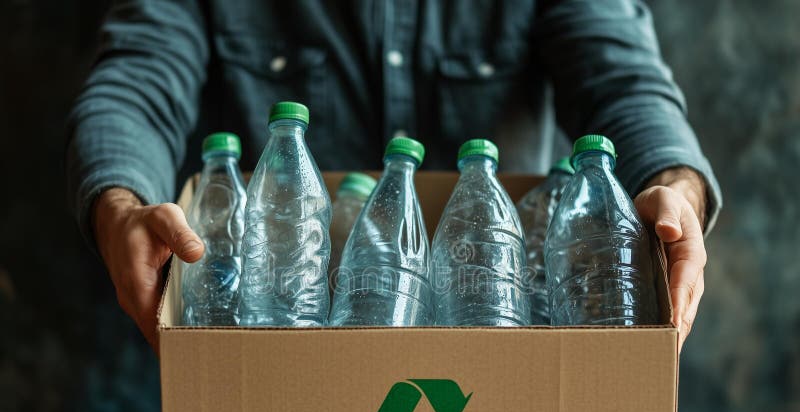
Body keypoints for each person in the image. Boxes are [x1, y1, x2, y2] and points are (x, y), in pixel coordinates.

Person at [67, 0, 721, 351]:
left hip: (507, 366)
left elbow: (625, 82)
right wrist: (119, 208)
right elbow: (136, 79)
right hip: (276, 360)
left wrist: (676, 190)